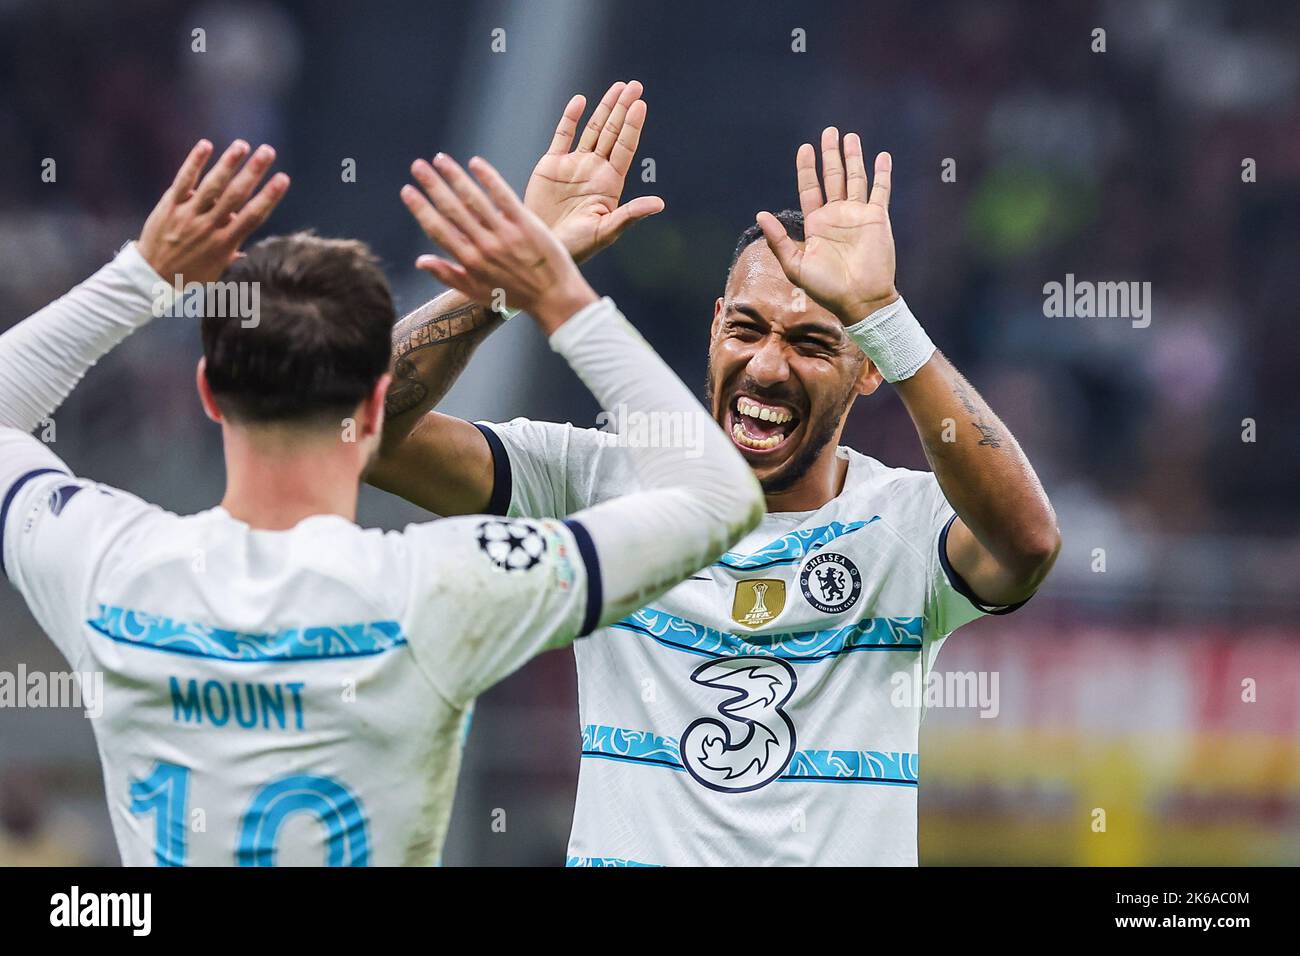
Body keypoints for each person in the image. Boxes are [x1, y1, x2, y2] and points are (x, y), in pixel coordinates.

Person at [0, 137, 761, 865]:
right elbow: (718, 495)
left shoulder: (105, 563)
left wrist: (142, 274)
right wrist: (552, 291)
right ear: (374, 409)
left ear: (208, 395)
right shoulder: (443, 587)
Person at [369, 89, 1061, 865]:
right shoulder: (593, 481)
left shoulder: (900, 526)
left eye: (810, 342)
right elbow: (362, 434)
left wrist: (884, 315)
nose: (767, 366)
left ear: (868, 370)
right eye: (746, 328)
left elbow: (1028, 544)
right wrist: (508, 277)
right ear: (713, 329)